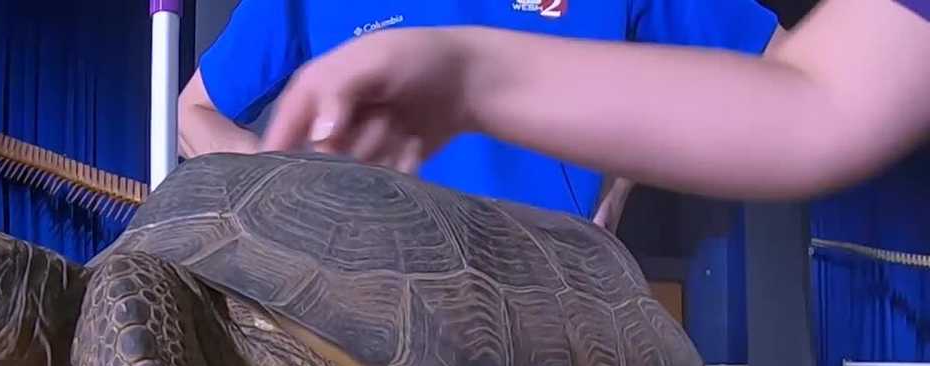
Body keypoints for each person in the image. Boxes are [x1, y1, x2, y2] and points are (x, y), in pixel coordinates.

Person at [181, 1, 787, 231]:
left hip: (551, 305)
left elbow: (780, 67)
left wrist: (624, 179)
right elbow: (192, 113)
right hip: (363, 306)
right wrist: (297, 195)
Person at [260, 0, 930, 202]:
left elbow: (794, 80)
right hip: (358, 288)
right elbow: (816, 100)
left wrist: (618, 185)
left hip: (554, 301)